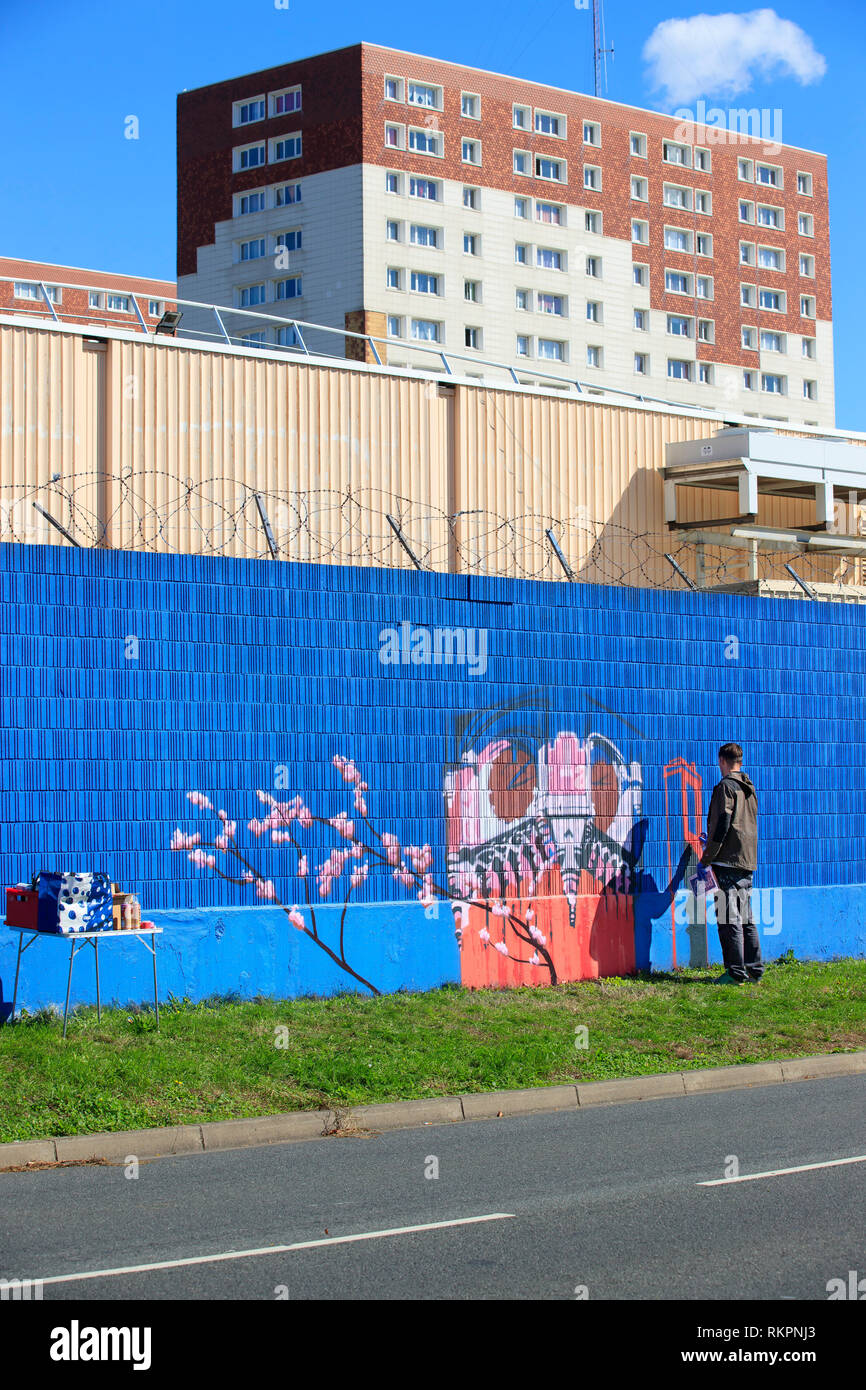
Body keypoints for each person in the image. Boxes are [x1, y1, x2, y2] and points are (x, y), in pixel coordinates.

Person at [698, 742, 763, 986]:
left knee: (728, 918)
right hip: (747, 860)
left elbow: (722, 824)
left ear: (722, 761)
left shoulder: (725, 787)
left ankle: (735, 972)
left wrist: (707, 857)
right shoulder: (749, 788)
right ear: (741, 761)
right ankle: (754, 969)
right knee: (746, 917)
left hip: (726, 861)